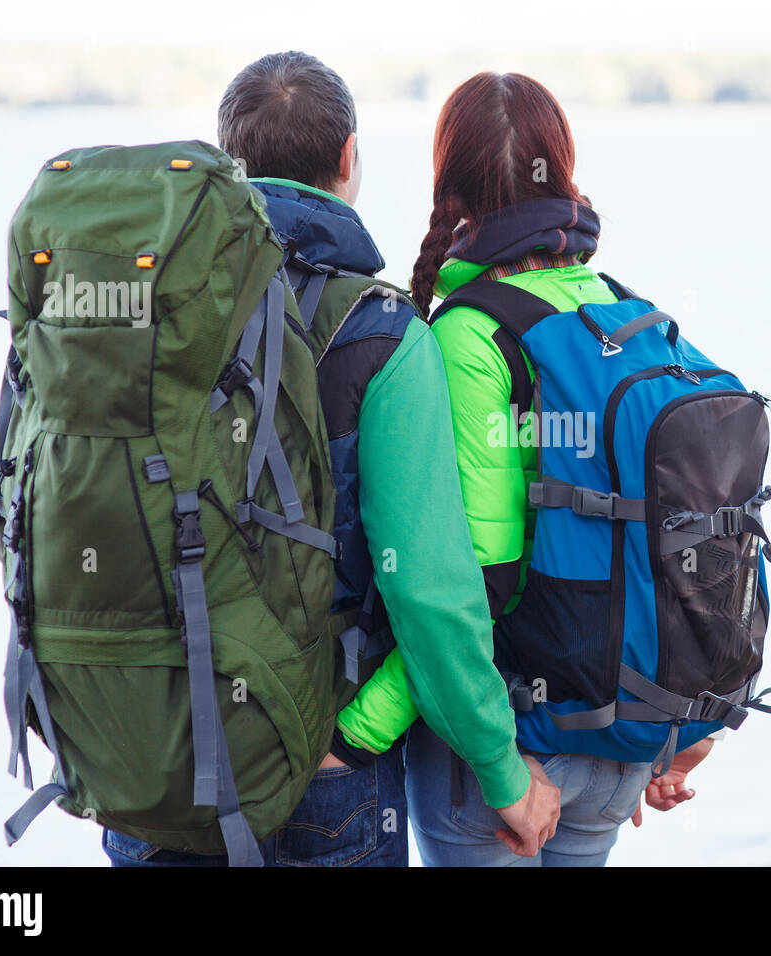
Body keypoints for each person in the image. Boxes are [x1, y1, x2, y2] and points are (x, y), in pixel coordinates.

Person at [102, 52, 559, 867]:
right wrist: (502, 774)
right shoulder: (380, 333)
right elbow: (432, 589)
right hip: (317, 769)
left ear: (226, 161)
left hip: (153, 756)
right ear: (349, 157)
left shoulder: (134, 312)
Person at [403, 72, 719, 867]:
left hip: (506, 758)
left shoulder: (469, 336)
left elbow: (479, 578)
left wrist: (358, 730)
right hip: (620, 746)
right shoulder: (621, 311)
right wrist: (685, 730)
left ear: (451, 187)